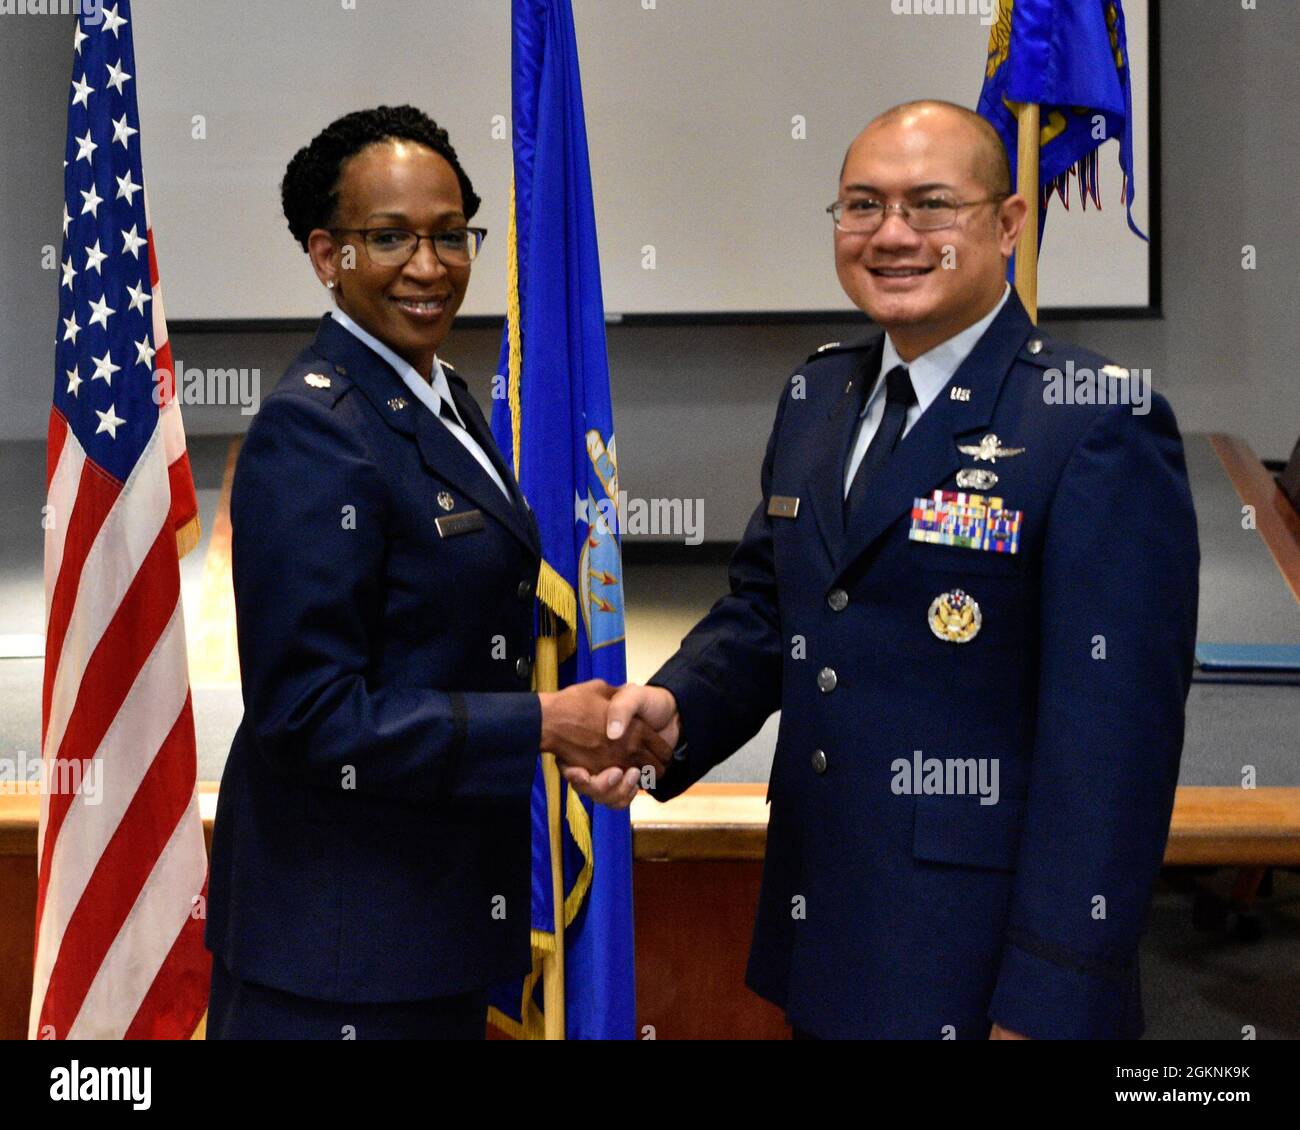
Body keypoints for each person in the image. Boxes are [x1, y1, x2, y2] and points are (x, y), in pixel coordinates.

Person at [571, 100, 1200, 1039]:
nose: (893, 235)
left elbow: (1113, 761)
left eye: (931, 205)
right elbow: (768, 609)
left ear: (1009, 223)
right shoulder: (820, 392)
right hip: (828, 931)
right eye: (862, 205)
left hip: (984, 968)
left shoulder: (1093, 421)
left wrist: (1053, 1002)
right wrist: (678, 712)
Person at [205, 105, 666, 1039]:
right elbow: (310, 716)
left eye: (450, 235)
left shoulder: (441, 392)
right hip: (338, 959)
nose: (429, 265)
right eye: (389, 238)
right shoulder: (315, 430)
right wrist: (542, 720)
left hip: (430, 926)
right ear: (326, 252)